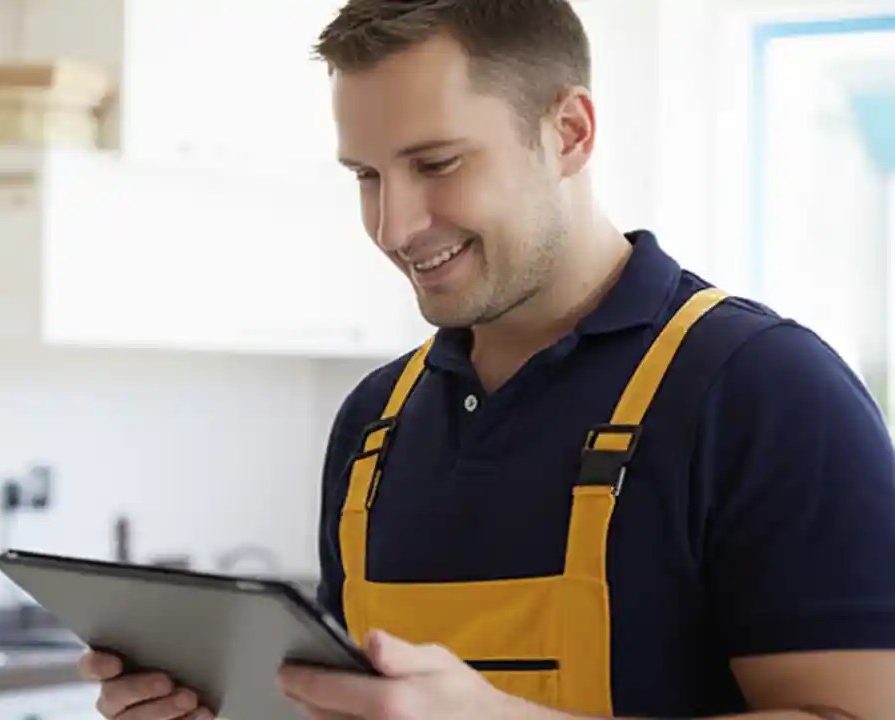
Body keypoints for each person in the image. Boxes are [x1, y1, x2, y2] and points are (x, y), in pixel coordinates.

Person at [77, 1, 895, 718]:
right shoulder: (374, 424)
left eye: (437, 165)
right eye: (367, 175)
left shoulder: (767, 390)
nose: (395, 226)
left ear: (569, 133)